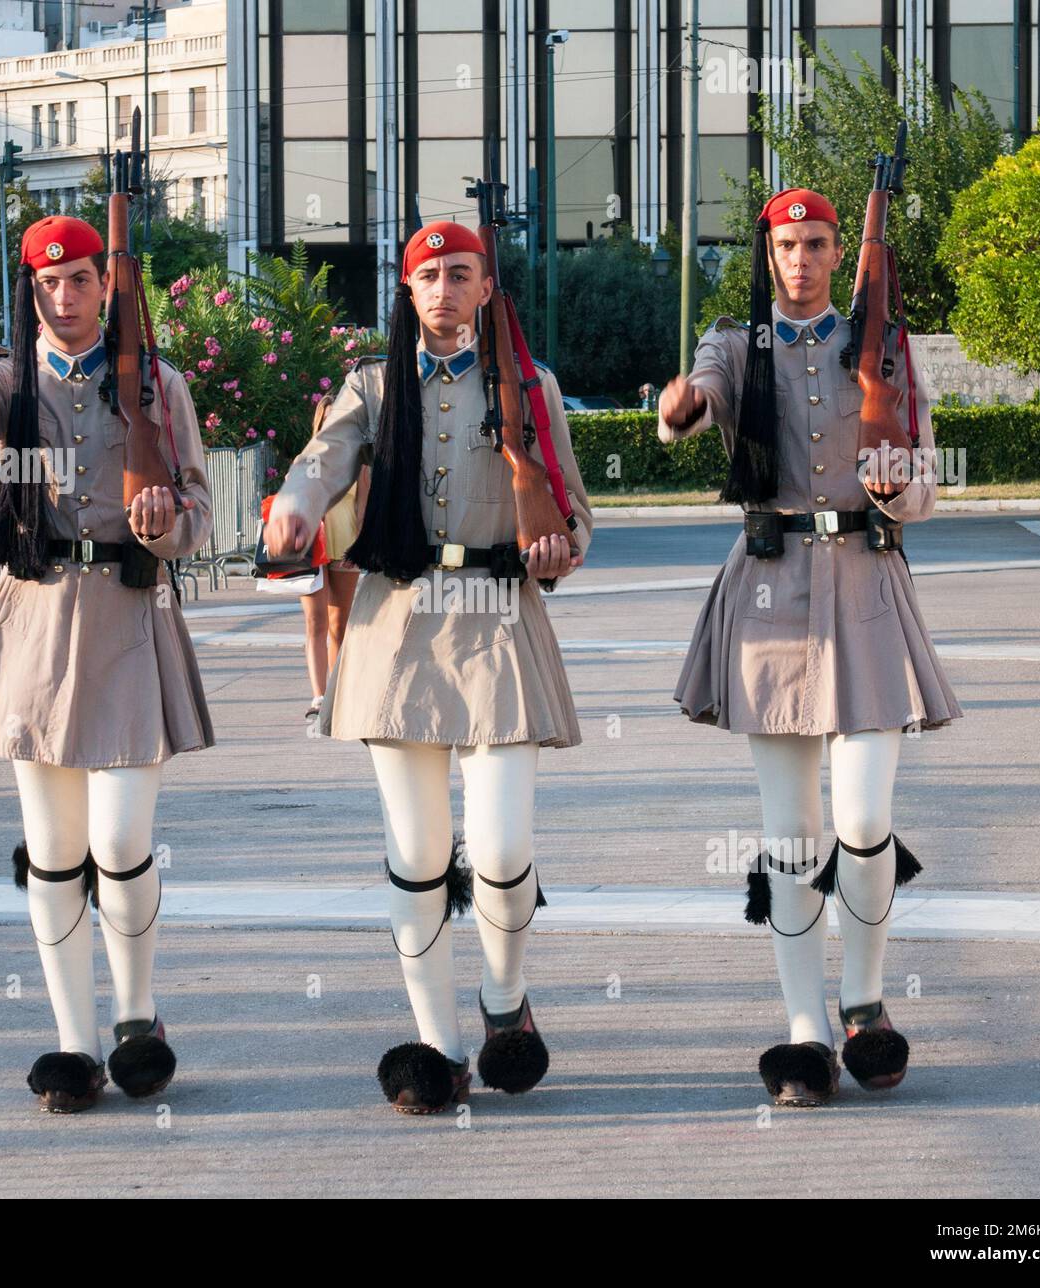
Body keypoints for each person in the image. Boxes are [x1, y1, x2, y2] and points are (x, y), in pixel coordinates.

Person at [265, 220, 593, 1114]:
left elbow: (573, 506)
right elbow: (320, 459)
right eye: (428, 276)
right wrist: (295, 511)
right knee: (415, 854)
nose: (444, 288)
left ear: (487, 288)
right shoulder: (373, 385)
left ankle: (502, 997)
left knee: (500, 848)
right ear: (407, 292)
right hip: (399, 625)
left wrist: (559, 548)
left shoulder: (531, 386)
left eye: (461, 274)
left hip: (496, 622)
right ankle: (437, 1045)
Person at [657, 187, 963, 1108]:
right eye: (786, 245)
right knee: (792, 836)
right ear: (767, 253)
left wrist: (899, 484)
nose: (800, 260)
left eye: (817, 244)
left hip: (867, 584)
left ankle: (865, 998)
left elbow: (926, 483)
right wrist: (678, 408)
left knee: (863, 824)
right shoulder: (732, 343)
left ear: (839, 254)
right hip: (771, 588)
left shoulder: (883, 349)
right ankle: (804, 1029)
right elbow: (697, 404)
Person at [0, 214, 215, 1113]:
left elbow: (203, 505)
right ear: (31, 290)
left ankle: (136, 1016)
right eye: (47, 283)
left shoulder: (158, 385)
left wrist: (170, 526)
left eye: (81, 280)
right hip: (40, 620)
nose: (64, 296)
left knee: (121, 841)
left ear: (108, 285)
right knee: (53, 852)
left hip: (131, 611)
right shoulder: (10, 381)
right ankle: (72, 1044)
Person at [298, 393, 369, 719]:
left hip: (344, 547)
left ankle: (339, 693)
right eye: (327, 419)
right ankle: (318, 695)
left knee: (340, 624)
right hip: (311, 551)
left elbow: (363, 508)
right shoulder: (305, 460)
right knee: (316, 622)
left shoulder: (359, 463)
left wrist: (359, 548)